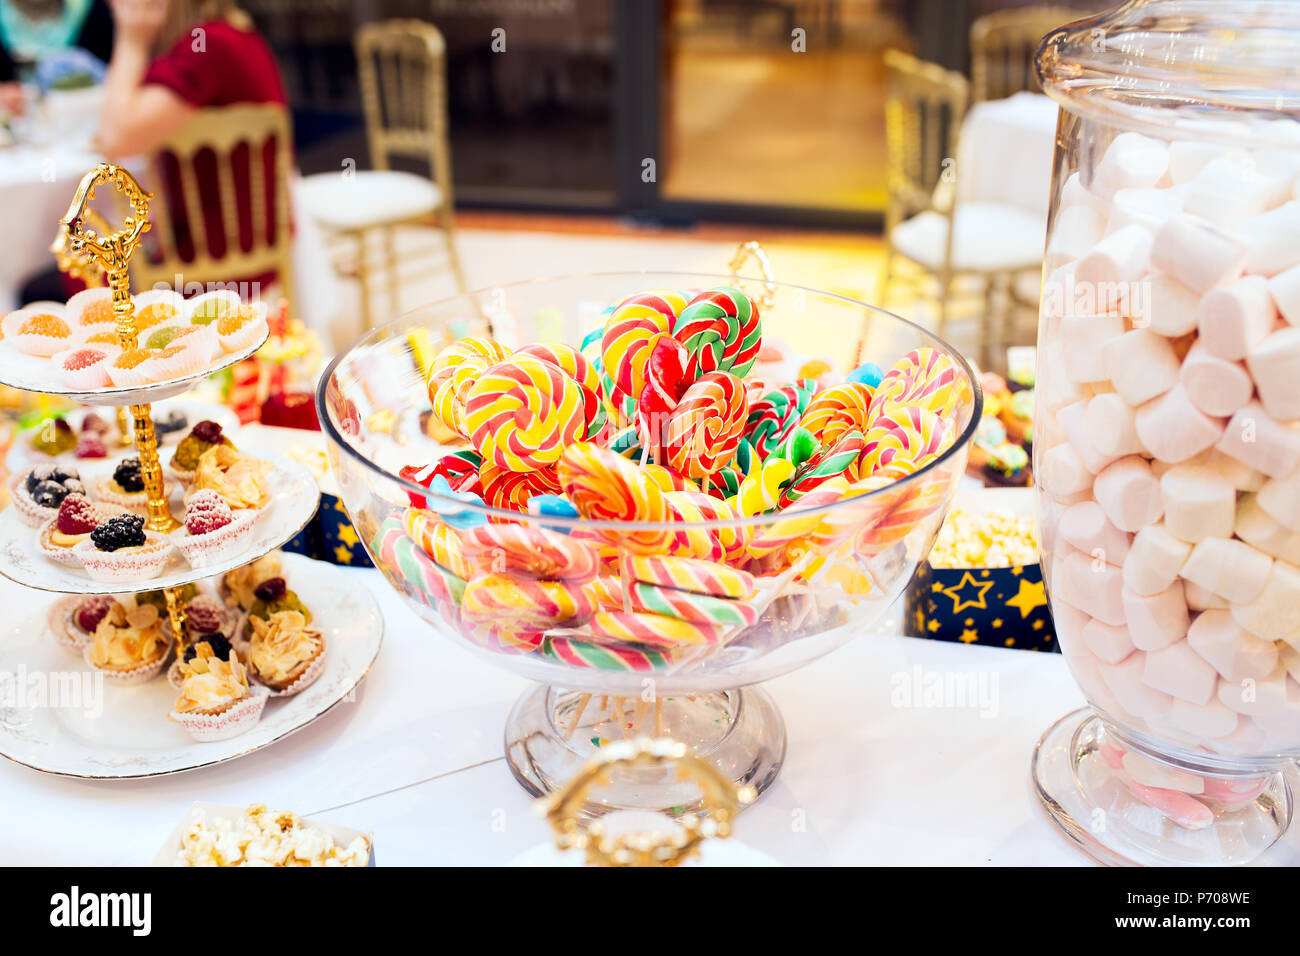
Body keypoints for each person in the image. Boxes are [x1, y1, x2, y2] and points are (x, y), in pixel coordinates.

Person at [97, 0, 288, 295]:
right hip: (245, 252)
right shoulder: (233, 32)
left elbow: (115, 138)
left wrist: (132, 39)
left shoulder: (207, 44)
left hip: (218, 271)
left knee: (76, 264)